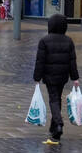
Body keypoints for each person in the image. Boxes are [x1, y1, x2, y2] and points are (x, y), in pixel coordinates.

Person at [34, 13, 79, 142]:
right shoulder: (68, 40)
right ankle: (53, 126)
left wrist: (37, 77)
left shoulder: (44, 40)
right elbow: (72, 61)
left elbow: (40, 61)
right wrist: (75, 77)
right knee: (57, 98)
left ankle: (58, 124)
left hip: (49, 75)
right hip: (63, 75)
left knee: (53, 99)